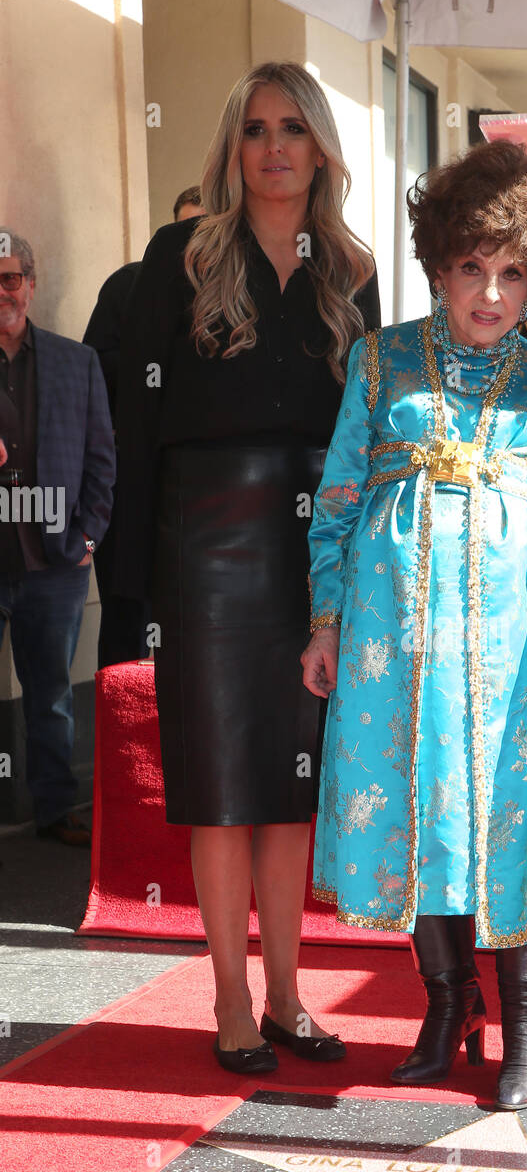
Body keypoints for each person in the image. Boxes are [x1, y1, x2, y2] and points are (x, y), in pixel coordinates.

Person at [302, 140, 527, 1111]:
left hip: (515, 647)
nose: (489, 293)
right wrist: (324, 620)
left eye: (511, 273)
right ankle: (445, 1006)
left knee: (514, 819)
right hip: (395, 645)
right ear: (438, 264)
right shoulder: (380, 360)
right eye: (471, 267)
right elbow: (338, 497)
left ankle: (526, 1030)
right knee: (417, 812)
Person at [115, 62, 380, 1074]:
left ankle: (287, 995)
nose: (274, 149)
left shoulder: (350, 270)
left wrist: (361, 569)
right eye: (256, 131)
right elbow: (134, 420)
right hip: (204, 543)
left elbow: (368, 433)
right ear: (233, 148)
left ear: (320, 148)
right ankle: (228, 995)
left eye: (294, 130)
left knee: (290, 785)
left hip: (315, 551)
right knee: (223, 783)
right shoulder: (179, 255)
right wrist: (134, 571)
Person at [0, 230, 115, 845]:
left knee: (49, 693)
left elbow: (102, 460)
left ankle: (52, 810)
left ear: (31, 284)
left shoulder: (77, 362)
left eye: (10, 278)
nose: (2, 292)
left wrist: (87, 538)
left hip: (55, 560)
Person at [84, 188, 208, 668]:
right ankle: (120, 737)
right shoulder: (128, 286)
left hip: (195, 493)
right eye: (184, 230)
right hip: (128, 481)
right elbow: (96, 368)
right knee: (125, 619)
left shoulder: (234, 296)